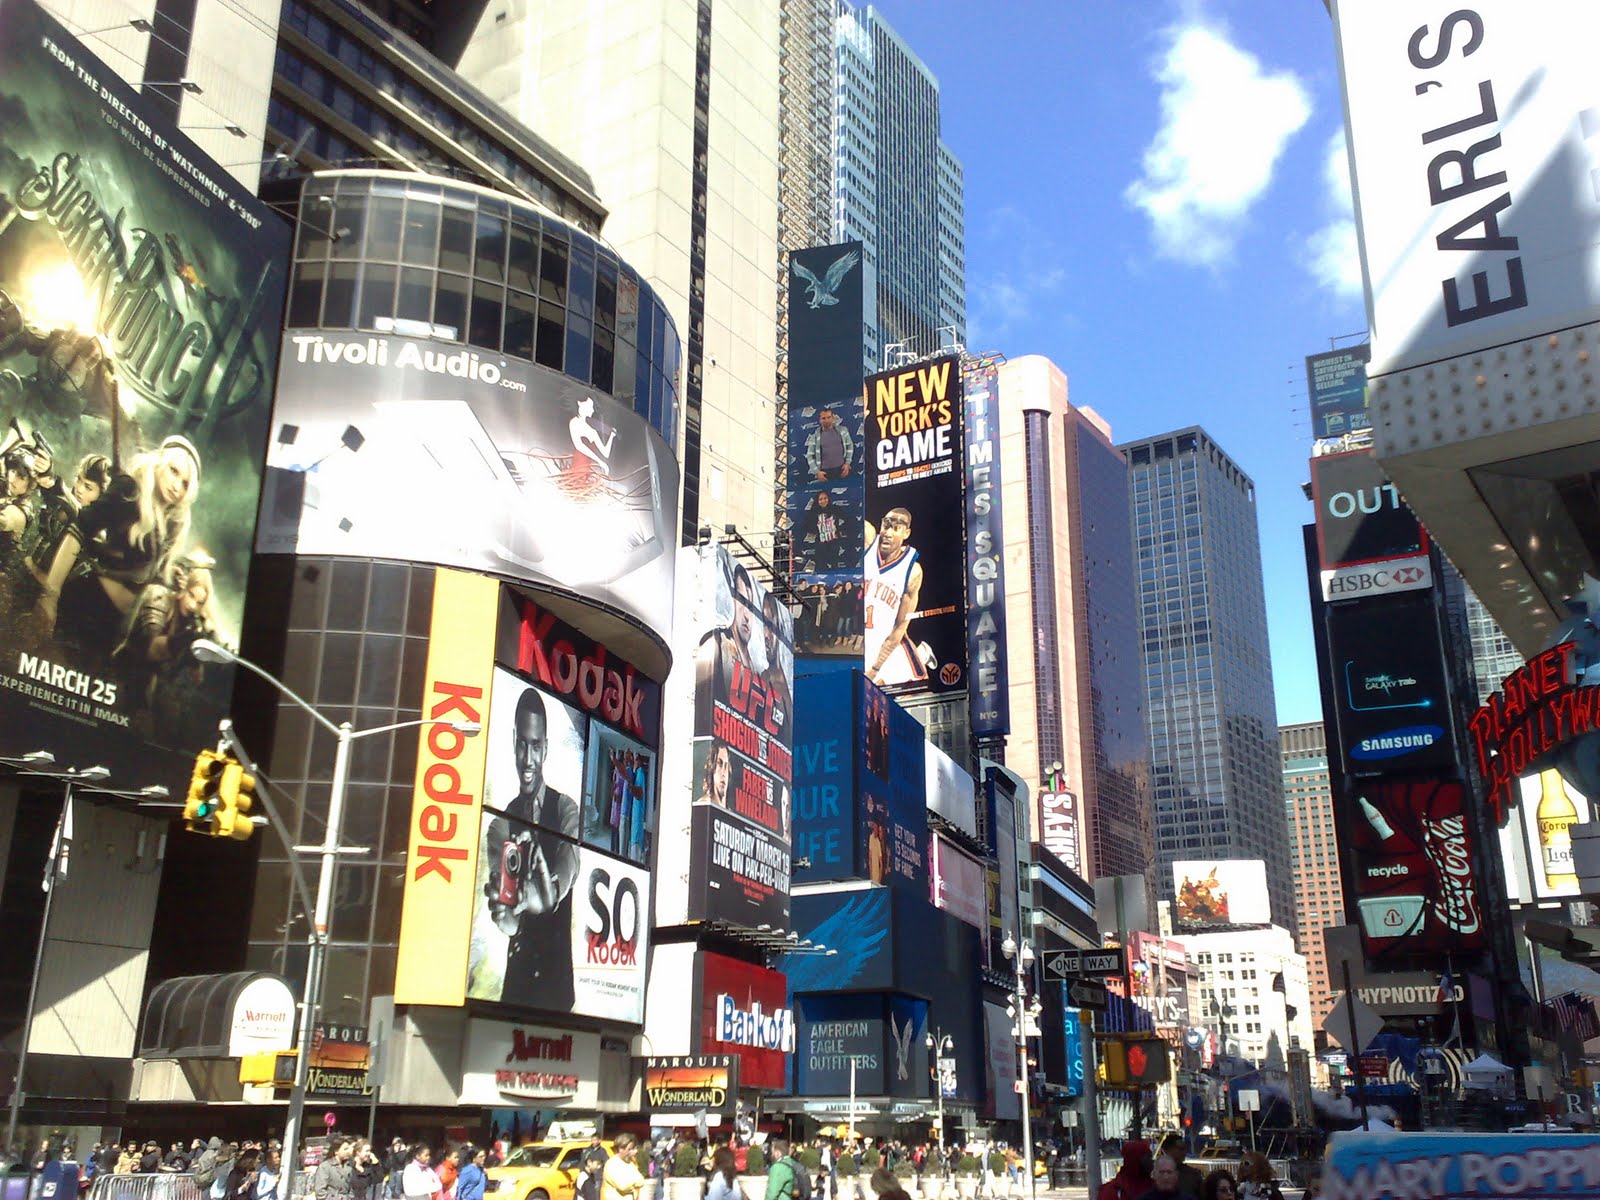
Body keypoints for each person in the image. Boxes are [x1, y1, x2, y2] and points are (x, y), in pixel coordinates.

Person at [35, 437, 201, 661]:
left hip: (115, 627)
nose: (176, 485)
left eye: (185, 483)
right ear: (160, 463)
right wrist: (50, 596)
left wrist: (172, 580)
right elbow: (78, 531)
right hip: (86, 604)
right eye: (174, 471)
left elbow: (150, 580)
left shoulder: (173, 523)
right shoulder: (129, 490)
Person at [482, 686, 581, 1010]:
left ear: (546, 748)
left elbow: (569, 864)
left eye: (535, 746)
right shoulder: (499, 825)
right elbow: (507, 913)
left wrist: (548, 889)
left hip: (558, 994)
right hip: (516, 993)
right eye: (522, 744)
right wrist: (507, 919)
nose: (528, 759)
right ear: (513, 743)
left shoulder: (566, 808)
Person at [862, 508, 925, 686]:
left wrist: (875, 668)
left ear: (906, 533)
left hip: (882, 643)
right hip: (856, 639)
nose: (888, 533)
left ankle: (922, 654)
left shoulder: (912, 571)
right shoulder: (869, 542)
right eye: (886, 526)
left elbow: (900, 626)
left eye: (895, 528)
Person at [805, 407, 854, 482]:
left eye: (829, 417)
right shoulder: (814, 437)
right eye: (823, 418)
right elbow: (810, 456)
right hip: (825, 474)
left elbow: (850, 446)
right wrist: (817, 472)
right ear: (820, 420)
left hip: (842, 470)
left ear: (833, 418)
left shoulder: (843, 431)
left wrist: (847, 464)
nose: (826, 420)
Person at [601, 1134, 644, 1200]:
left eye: (632, 1149)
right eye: (629, 1149)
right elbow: (623, 1186)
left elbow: (641, 1181)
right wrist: (634, 1184)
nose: (632, 1152)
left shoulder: (630, 1163)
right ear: (620, 1149)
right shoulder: (612, 1164)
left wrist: (631, 1184)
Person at [698, 742, 732, 807]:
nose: (723, 772)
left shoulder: (729, 811)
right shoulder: (704, 803)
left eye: (726, 765)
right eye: (720, 764)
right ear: (712, 768)